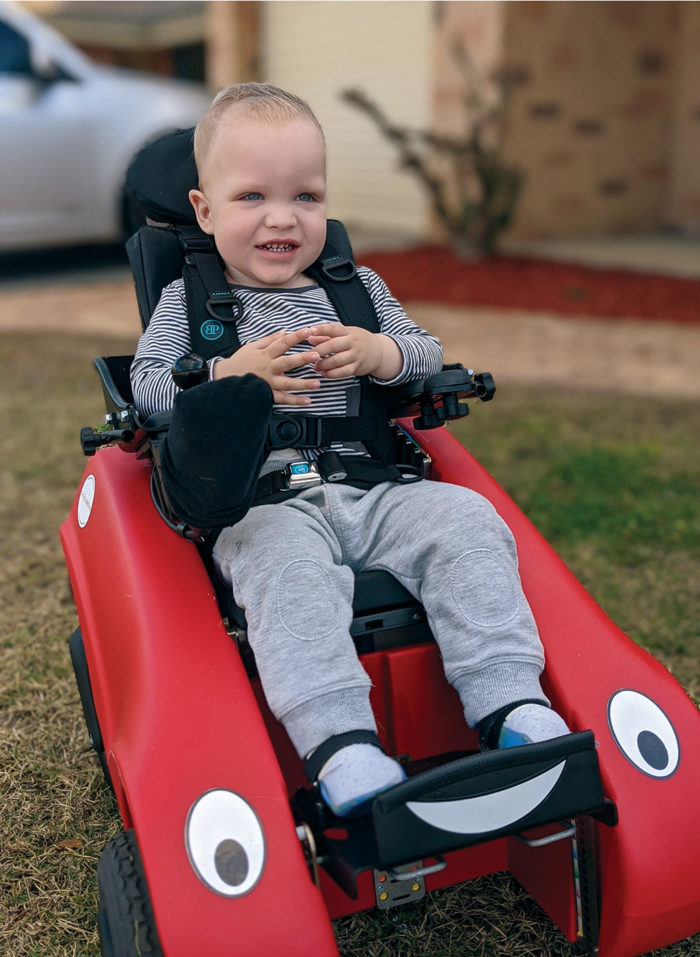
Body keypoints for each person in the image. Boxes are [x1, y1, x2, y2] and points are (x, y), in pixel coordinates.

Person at [131, 82, 570, 817]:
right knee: (283, 565)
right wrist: (228, 376)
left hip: (374, 485)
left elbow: (423, 353)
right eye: (251, 199)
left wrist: (376, 352)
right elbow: (144, 388)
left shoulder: (355, 288)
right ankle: (342, 744)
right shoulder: (191, 300)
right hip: (263, 499)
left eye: (306, 196)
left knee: (465, 518)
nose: (282, 218)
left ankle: (511, 703)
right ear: (204, 211)